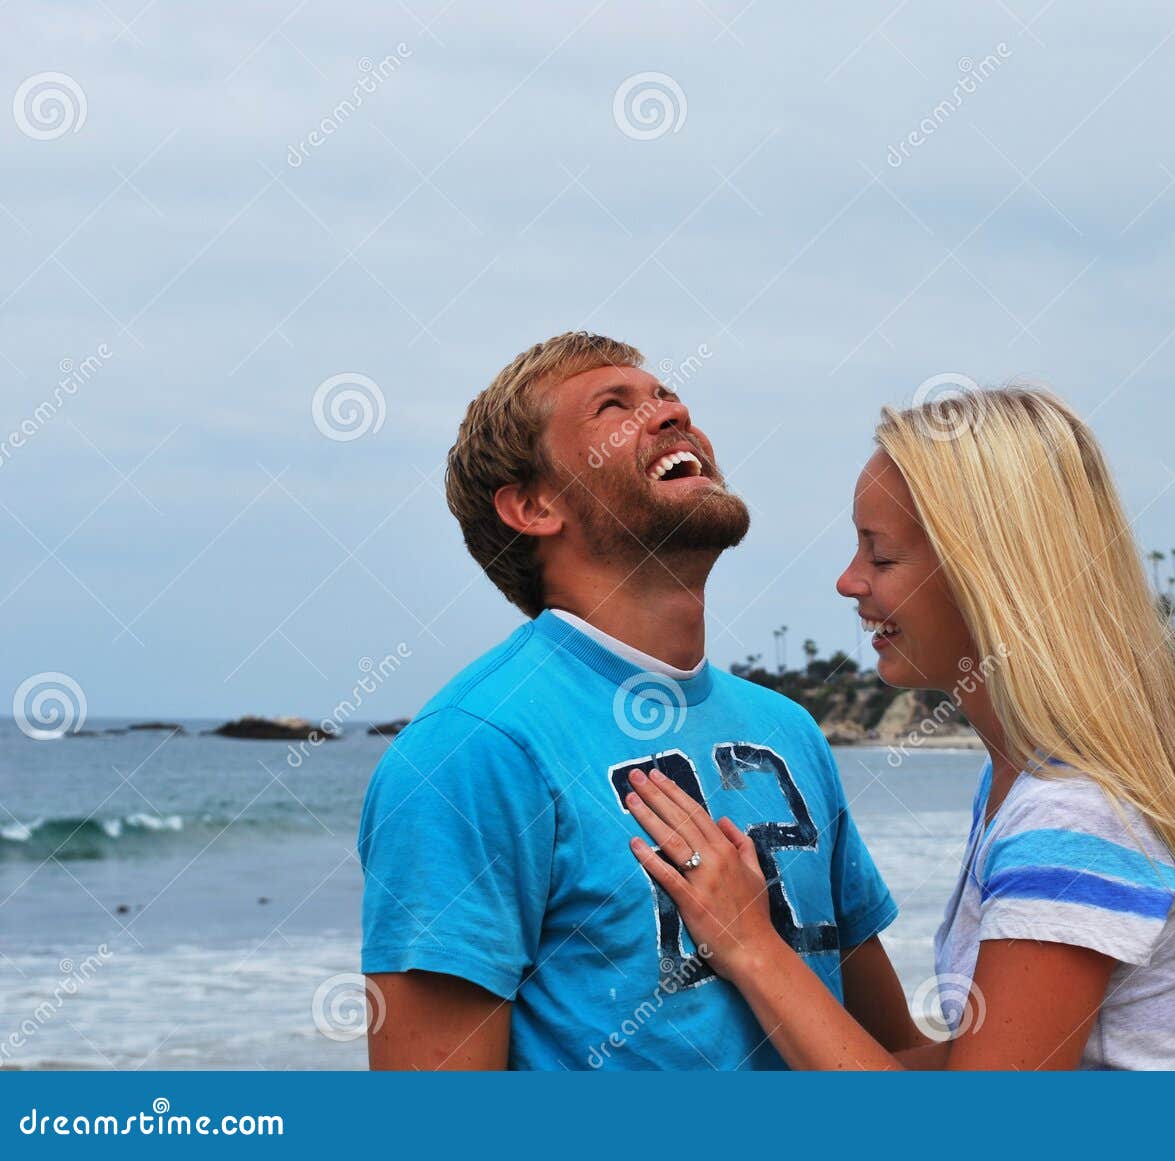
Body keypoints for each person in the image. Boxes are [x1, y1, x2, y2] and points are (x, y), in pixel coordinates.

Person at [622, 386, 1175, 1069]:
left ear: (985, 577)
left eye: (881, 556)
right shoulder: (1023, 779)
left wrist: (749, 942)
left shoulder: (1073, 816)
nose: (848, 581)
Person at [358, 332, 918, 1069]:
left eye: (663, 396)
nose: (671, 410)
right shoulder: (472, 749)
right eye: (614, 408)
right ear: (532, 505)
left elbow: (896, 1051)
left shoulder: (788, 728)